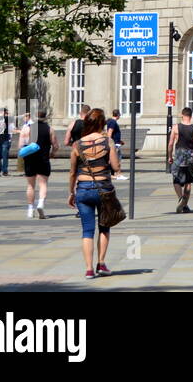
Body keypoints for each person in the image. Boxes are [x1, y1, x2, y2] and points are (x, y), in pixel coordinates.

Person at [68, 107, 121, 279]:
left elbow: (72, 172)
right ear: (101, 123)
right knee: (104, 227)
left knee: (87, 231)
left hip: (83, 189)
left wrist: (71, 193)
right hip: (103, 188)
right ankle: (102, 264)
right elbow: (116, 167)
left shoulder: (77, 144)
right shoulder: (108, 142)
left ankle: (89, 269)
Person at [21, 110, 57, 218]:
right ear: (45, 117)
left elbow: (20, 145)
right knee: (43, 184)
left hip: (30, 159)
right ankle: (40, 203)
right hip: (43, 159)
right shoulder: (50, 129)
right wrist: (52, 153)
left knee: (30, 185)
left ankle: (30, 210)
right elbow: (56, 146)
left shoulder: (26, 129)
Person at [168, 107, 193, 211]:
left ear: (182, 115)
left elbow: (170, 143)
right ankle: (185, 204)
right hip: (191, 156)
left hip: (179, 155)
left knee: (176, 179)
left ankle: (181, 199)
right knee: (188, 181)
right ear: (191, 116)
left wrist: (169, 156)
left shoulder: (175, 127)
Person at [0, 107, 12, 177]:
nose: (7, 114)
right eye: (6, 112)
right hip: (4, 140)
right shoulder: (6, 119)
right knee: (4, 156)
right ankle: (5, 171)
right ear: (4, 112)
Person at [107, 110, 127, 180]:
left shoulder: (111, 122)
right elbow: (109, 133)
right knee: (117, 160)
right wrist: (110, 143)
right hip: (115, 144)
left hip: (116, 143)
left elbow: (113, 134)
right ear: (118, 115)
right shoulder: (113, 122)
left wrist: (120, 141)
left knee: (114, 160)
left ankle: (113, 174)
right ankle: (118, 174)